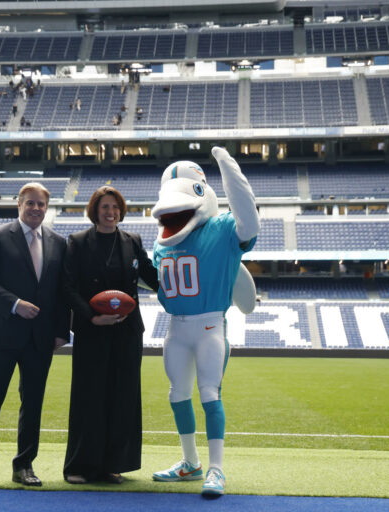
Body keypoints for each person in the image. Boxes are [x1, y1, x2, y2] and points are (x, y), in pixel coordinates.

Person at [150, 148, 259, 497]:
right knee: (177, 394)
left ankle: (217, 469)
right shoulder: (161, 243)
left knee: (210, 394)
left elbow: (249, 223)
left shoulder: (222, 228)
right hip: (176, 328)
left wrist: (229, 170)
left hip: (211, 326)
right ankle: (191, 462)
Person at [0, 182, 70, 490]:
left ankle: (24, 465)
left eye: (41, 204)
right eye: (31, 203)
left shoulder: (58, 242)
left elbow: (62, 292)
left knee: (33, 404)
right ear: (19, 205)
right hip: (1, 336)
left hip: (41, 339)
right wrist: (14, 304)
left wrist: (62, 331)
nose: (36, 209)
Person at [62, 186, 159, 485]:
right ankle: (80, 466)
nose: (111, 212)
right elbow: (67, 288)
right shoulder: (77, 243)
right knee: (89, 397)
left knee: (123, 397)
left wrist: (180, 267)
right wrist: (92, 316)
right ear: (95, 210)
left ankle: (112, 465)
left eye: (115, 207)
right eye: (105, 207)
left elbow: (152, 278)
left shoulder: (133, 241)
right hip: (93, 330)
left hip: (127, 331)